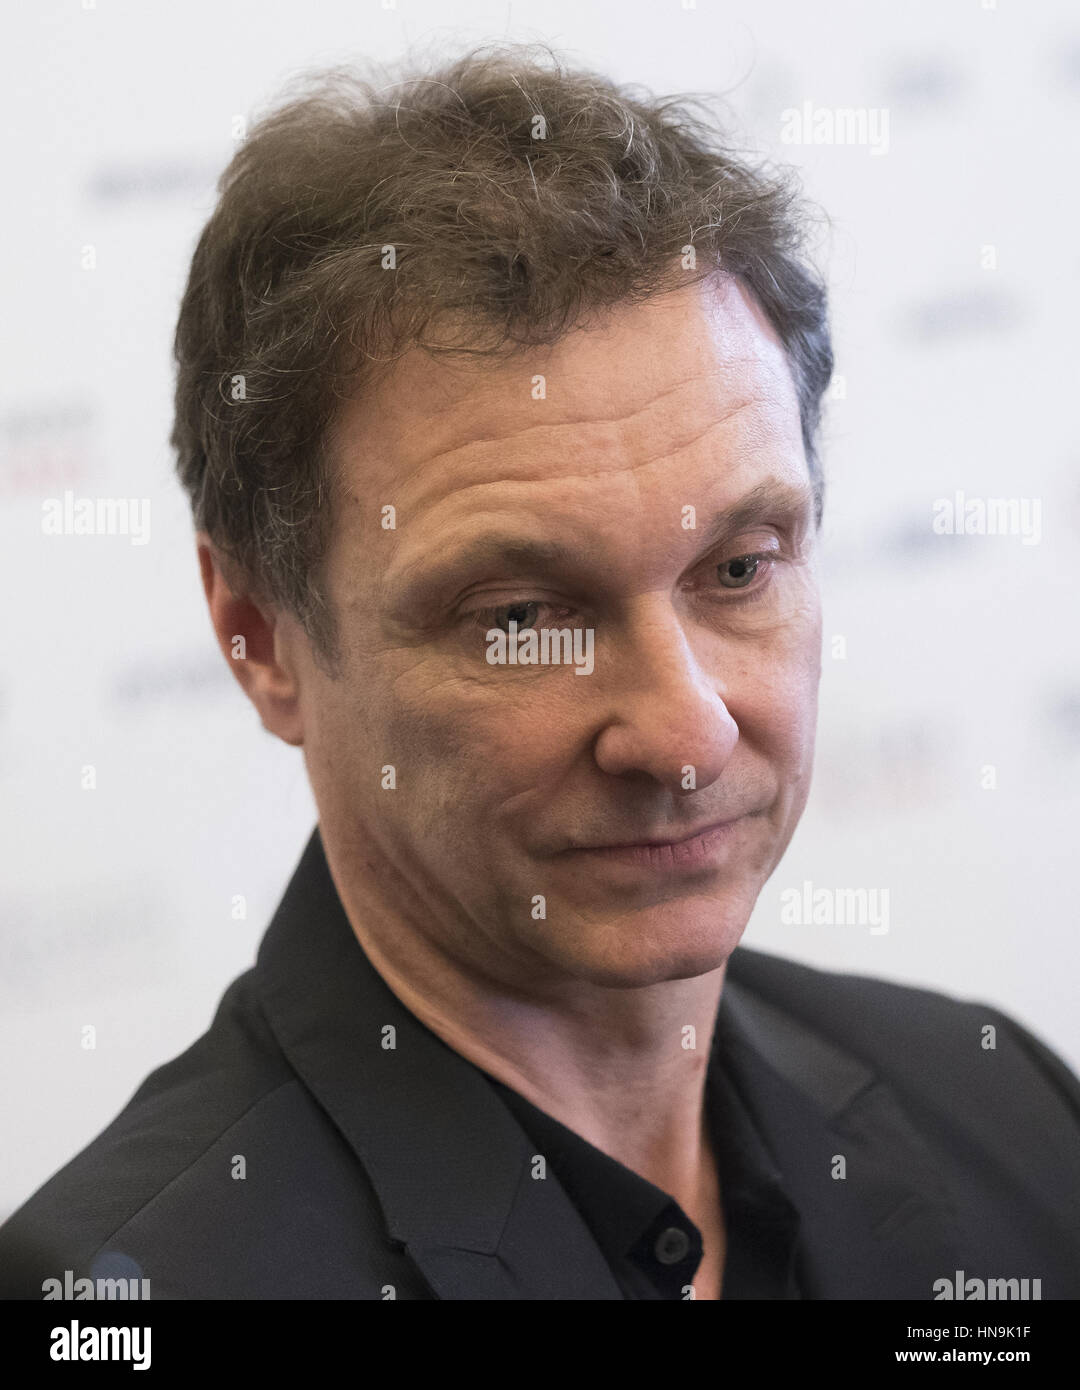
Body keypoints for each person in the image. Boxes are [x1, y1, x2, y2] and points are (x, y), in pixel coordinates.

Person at [3, 44, 1078, 1301]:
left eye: (738, 569)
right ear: (263, 638)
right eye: (520, 617)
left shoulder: (1009, 1114)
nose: (686, 733)